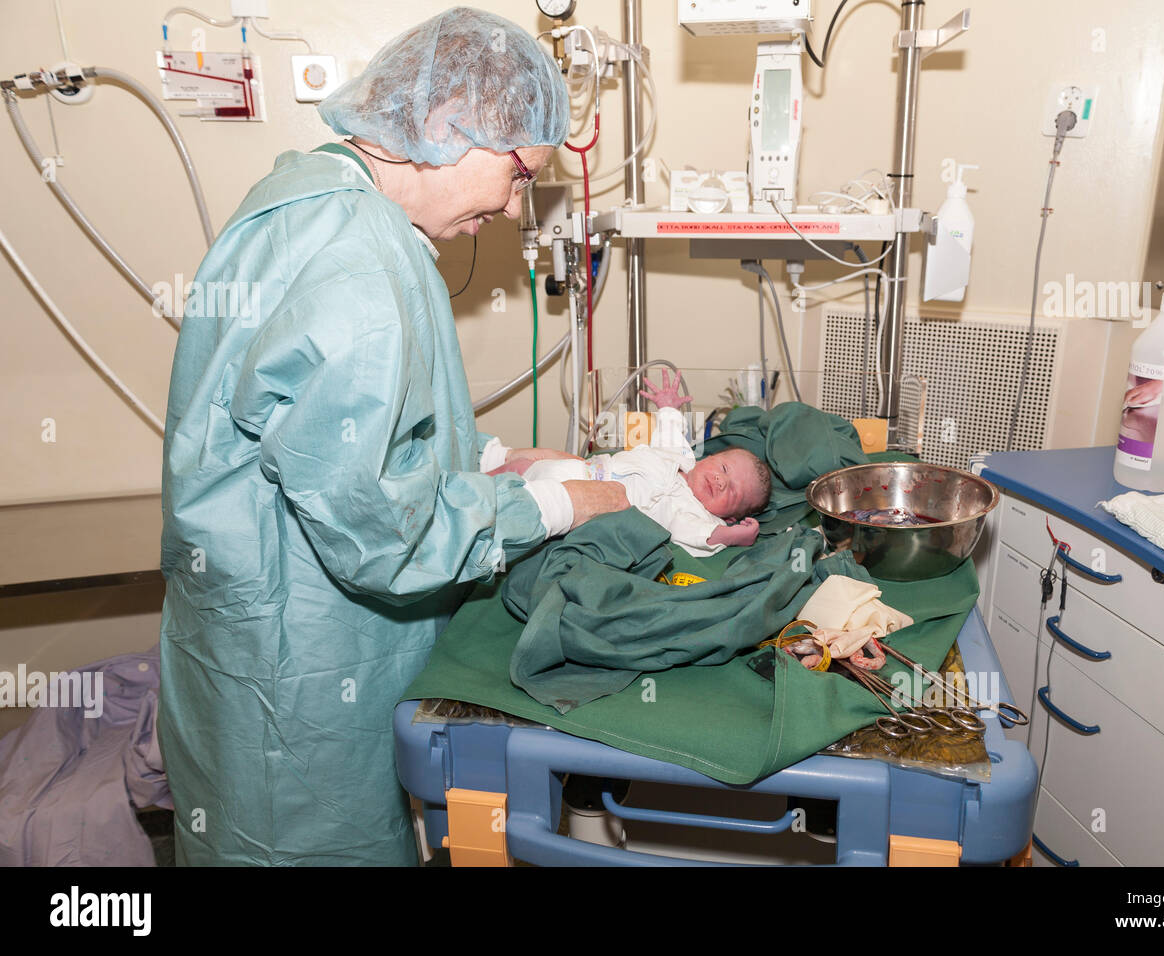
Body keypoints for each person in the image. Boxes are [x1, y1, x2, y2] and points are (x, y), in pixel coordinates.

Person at [156, 8, 627, 866]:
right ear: (447, 126)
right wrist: (549, 506)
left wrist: (482, 459)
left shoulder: (305, 195)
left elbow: (319, 431)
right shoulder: (364, 269)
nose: (517, 208)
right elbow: (382, 532)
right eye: (521, 176)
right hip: (299, 687)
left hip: (237, 644)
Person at [506, 371, 772, 555]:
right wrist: (668, 406)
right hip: (587, 469)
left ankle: (498, 507)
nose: (721, 481)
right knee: (522, 466)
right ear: (710, 457)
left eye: (733, 491)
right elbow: (669, 429)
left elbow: (699, 535)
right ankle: (492, 477)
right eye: (723, 468)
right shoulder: (681, 457)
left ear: (731, 517)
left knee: (527, 505)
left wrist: (732, 536)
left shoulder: (692, 512)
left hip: (588, 507)